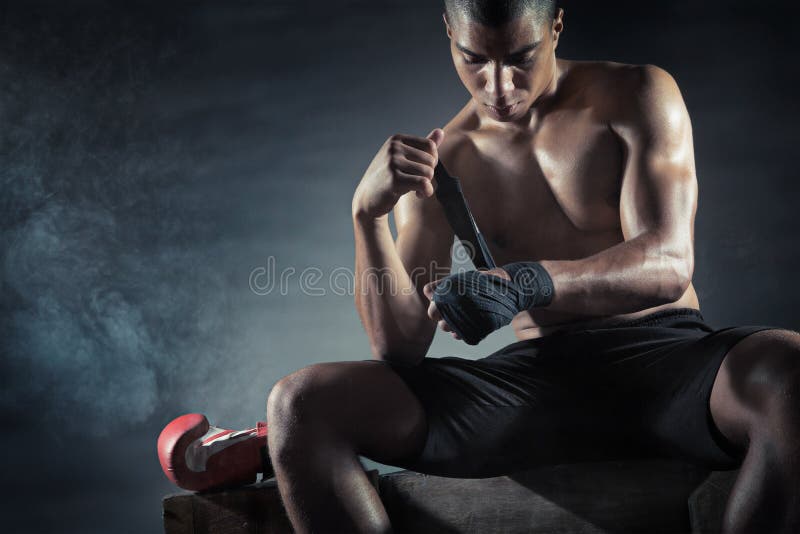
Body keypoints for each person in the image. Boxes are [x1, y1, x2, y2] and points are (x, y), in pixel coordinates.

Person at [262, 2, 800, 532]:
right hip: (533, 386)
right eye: (474, 58)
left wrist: (528, 281)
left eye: (521, 57)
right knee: (303, 404)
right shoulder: (445, 163)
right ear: (448, 31)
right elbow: (399, 345)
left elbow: (667, 263)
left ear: (557, 26)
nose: (498, 87)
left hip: (668, 361)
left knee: (790, 370)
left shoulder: (636, 94)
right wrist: (367, 216)